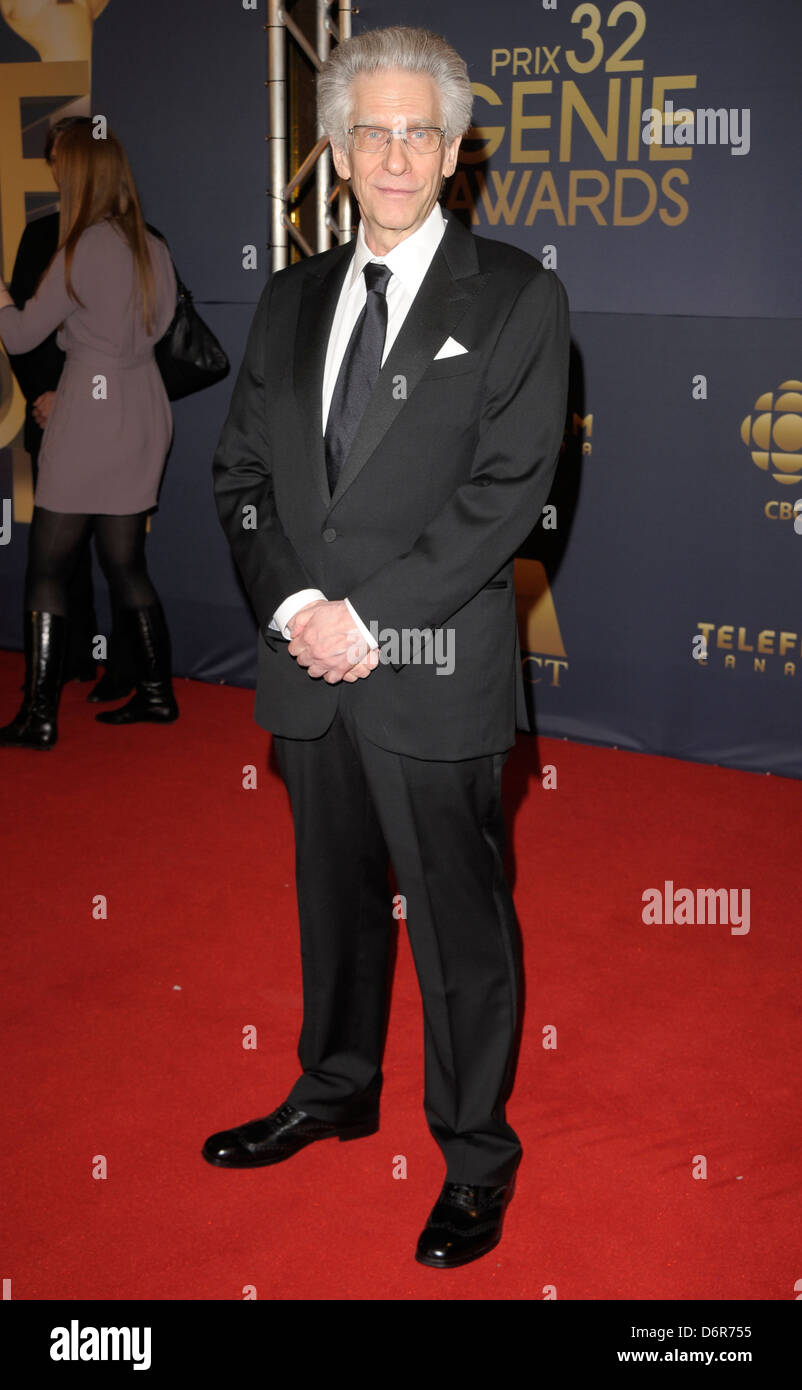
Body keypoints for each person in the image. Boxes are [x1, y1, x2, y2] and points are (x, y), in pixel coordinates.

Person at [208, 25, 570, 1269]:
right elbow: (244, 476)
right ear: (338, 147)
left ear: (457, 149)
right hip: (304, 665)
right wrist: (293, 609)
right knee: (335, 897)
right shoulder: (289, 295)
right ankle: (336, 1083)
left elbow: (508, 492)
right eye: (374, 129)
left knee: (459, 919)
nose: (397, 152)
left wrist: (371, 617)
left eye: (423, 129)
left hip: (432, 670)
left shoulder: (517, 295)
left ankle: (476, 1155)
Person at [0, 119, 179, 750]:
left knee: (48, 565)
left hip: (91, 407)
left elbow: (20, 335)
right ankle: (158, 694)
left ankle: (39, 714)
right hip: (144, 406)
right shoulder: (150, 246)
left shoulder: (80, 249)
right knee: (126, 561)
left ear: (78, 175)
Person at [6, 116, 138, 700]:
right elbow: (28, 338)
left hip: (106, 416)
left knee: (118, 549)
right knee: (63, 555)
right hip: (52, 414)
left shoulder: (138, 238)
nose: (59, 170)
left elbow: (143, 339)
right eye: (53, 159)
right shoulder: (39, 237)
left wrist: (73, 397)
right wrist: (44, 399)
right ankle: (70, 659)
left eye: (67, 158)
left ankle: (129, 669)